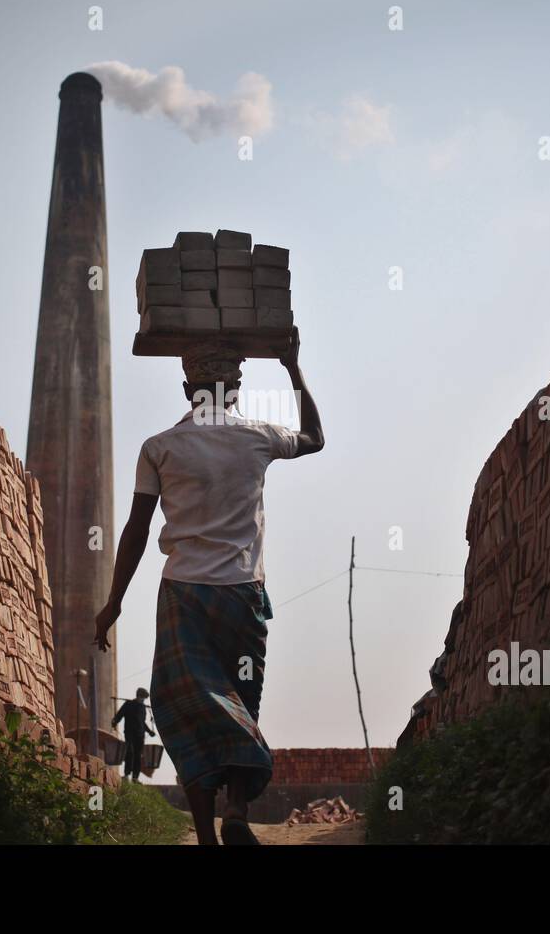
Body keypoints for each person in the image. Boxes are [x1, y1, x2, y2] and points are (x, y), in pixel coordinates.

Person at [93, 326, 324, 845]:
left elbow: (136, 529)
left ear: (186, 390)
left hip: (182, 596)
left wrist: (114, 603)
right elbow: (314, 439)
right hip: (243, 594)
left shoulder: (159, 448)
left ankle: (205, 835)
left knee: (182, 710)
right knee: (241, 700)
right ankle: (238, 806)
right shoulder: (260, 438)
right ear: (236, 390)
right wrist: (293, 367)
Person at [111, 687, 156, 782]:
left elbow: (142, 723)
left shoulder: (142, 708)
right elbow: (120, 714)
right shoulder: (128, 704)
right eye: (143, 698)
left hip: (140, 735)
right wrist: (115, 722)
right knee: (130, 752)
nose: (143, 700)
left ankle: (135, 777)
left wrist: (149, 731)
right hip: (129, 733)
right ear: (139, 696)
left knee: (138, 756)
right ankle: (127, 774)